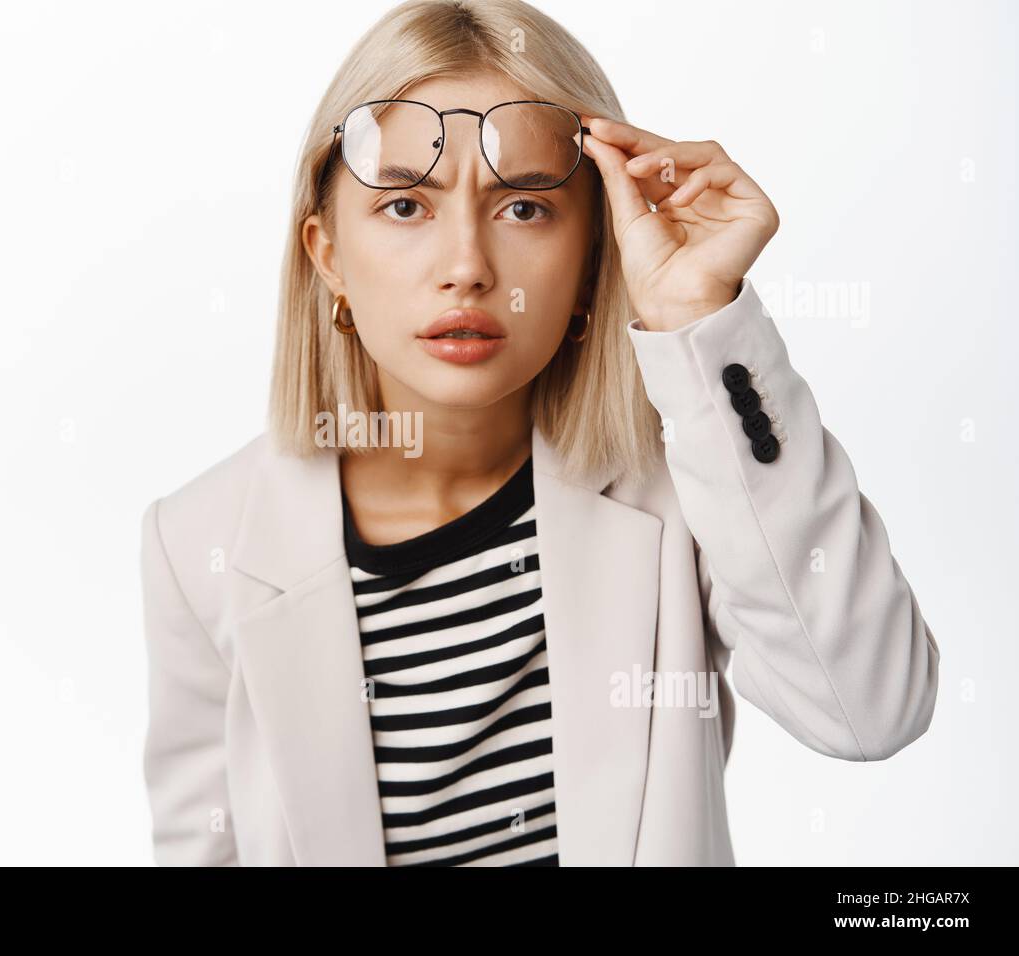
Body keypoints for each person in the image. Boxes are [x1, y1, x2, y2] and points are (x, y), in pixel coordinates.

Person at [139, 0, 940, 866]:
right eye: (406, 205)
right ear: (327, 253)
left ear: (596, 249)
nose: (467, 268)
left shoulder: (686, 485)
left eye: (524, 208)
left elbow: (870, 707)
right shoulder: (199, 547)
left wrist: (702, 324)